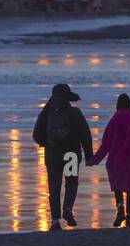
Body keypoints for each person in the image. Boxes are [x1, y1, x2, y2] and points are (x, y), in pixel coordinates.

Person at [32, 83, 93, 231]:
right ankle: (67, 209)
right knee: (71, 183)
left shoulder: (46, 112)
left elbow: (36, 135)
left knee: (54, 188)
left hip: (53, 157)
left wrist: (48, 143)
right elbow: (85, 135)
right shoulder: (75, 113)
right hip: (71, 155)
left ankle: (54, 221)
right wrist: (89, 155)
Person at [89, 93, 130, 228]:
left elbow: (106, 144)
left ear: (117, 105)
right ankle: (129, 218)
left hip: (117, 160)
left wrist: (94, 160)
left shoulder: (114, 121)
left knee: (118, 186)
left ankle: (120, 210)